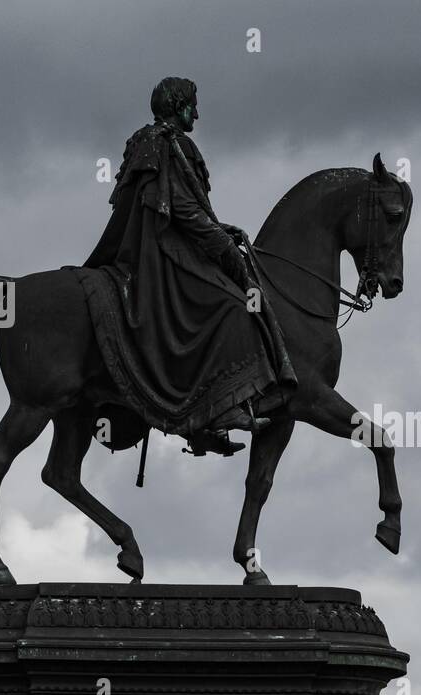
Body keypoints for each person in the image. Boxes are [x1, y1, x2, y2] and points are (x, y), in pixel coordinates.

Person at [84, 77, 296, 455]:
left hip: (146, 247)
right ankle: (222, 411)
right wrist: (221, 244)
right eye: (192, 105)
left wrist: (221, 228)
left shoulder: (144, 141)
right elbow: (181, 210)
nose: (196, 112)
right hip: (163, 252)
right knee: (233, 308)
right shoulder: (175, 144)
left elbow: (177, 204)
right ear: (178, 105)